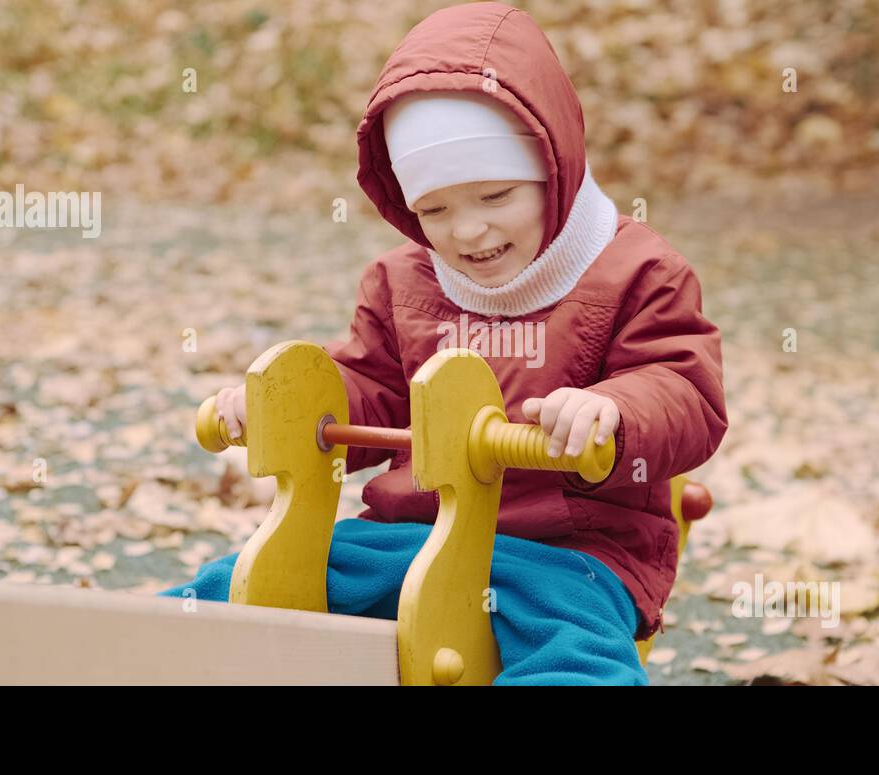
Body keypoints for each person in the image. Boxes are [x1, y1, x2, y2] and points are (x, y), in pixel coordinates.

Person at [162, 1, 727, 685]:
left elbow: (685, 392)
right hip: (409, 533)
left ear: (555, 168)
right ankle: (125, 654)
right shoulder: (404, 280)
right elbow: (369, 393)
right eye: (434, 209)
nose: (467, 232)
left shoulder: (637, 273)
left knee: (571, 646)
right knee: (257, 579)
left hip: (565, 547)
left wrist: (614, 410)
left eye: (496, 195)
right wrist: (282, 408)